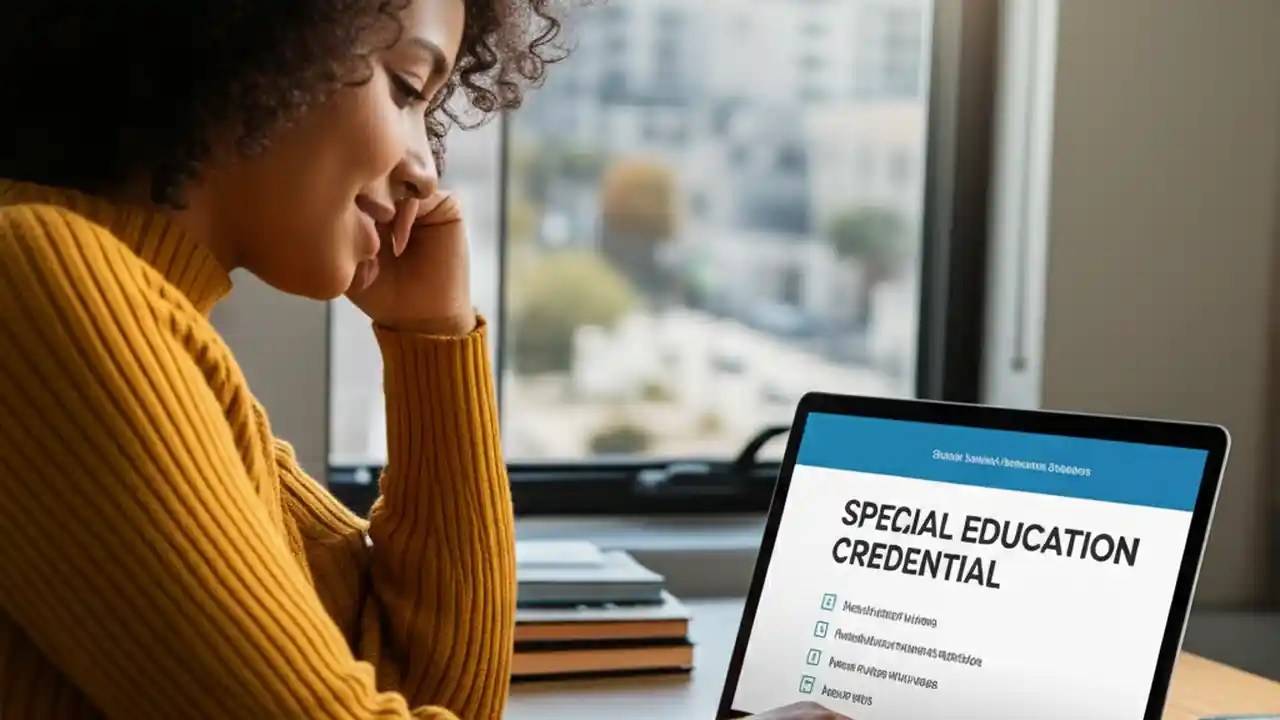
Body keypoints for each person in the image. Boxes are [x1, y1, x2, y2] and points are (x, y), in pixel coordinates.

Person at [0, 1, 852, 718]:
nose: (424, 167)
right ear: (252, 40)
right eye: (407, 87)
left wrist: (434, 338)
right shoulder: (39, 278)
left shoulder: (159, 336)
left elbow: (435, 693)